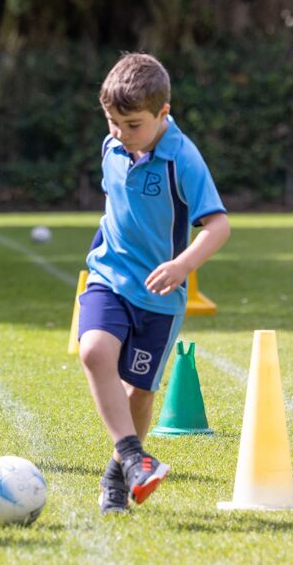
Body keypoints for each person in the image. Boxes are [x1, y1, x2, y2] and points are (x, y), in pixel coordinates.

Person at [78, 53, 230, 515]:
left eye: (132, 124)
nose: (120, 133)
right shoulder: (111, 147)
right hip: (109, 275)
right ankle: (132, 457)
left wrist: (183, 265)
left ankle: (117, 476)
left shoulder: (182, 159)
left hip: (160, 296)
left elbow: (218, 225)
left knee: (139, 392)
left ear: (163, 113)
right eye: (112, 122)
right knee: (94, 352)